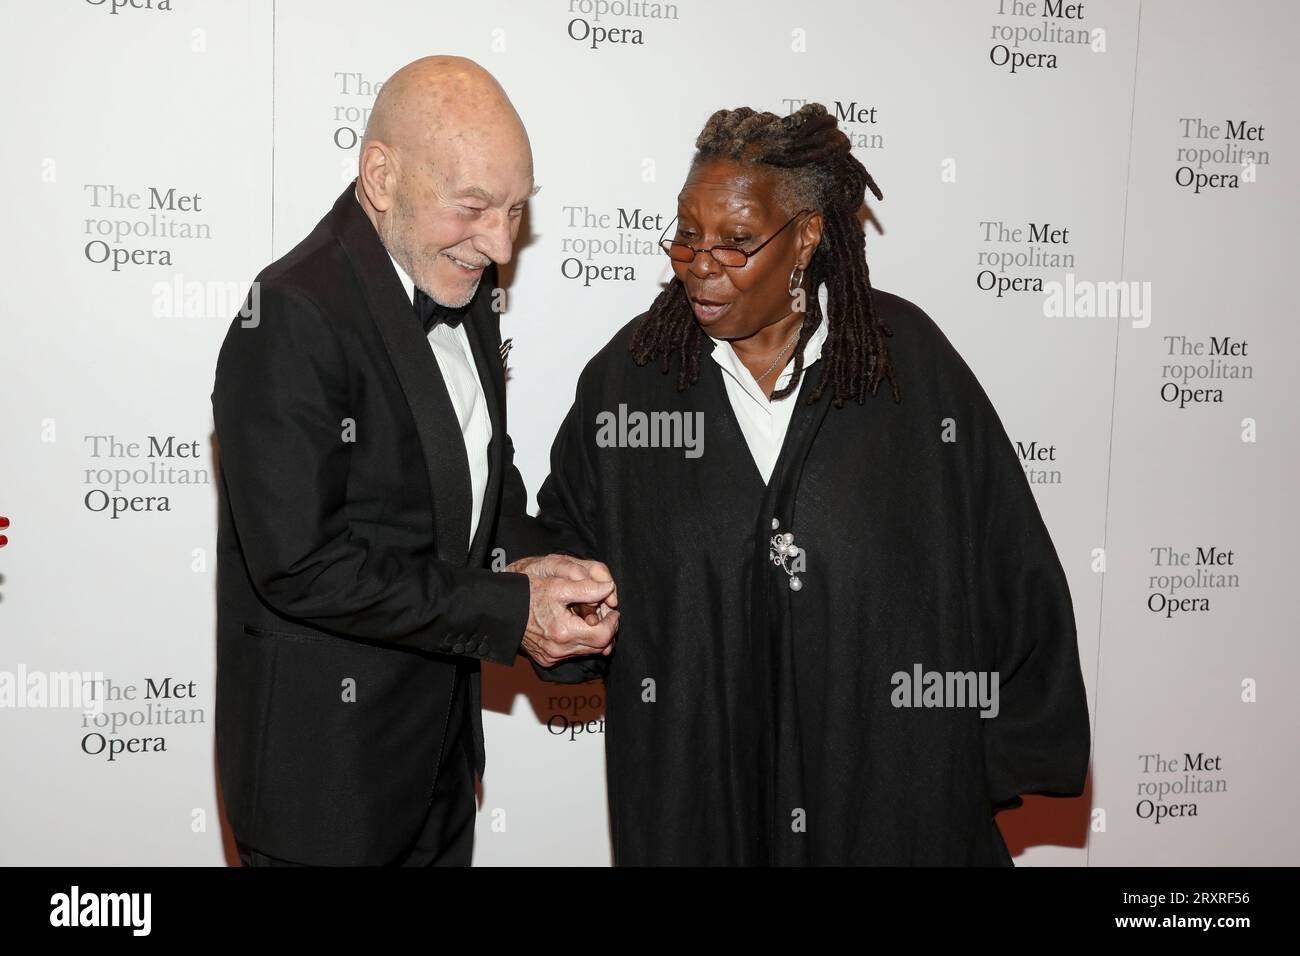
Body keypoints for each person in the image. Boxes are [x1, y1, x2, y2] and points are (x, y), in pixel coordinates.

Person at [531, 103, 1090, 865]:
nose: (700, 263)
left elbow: (1009, 561)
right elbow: (568, 551)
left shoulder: (906, 365)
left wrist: (981, 765)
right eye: (686, 233)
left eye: (736, 241)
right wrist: (566, 620)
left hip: (888, 798)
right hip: (701, 799)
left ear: (805, 237)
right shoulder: (631, 381)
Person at [211, 56, 619, 867]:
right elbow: (302, 565)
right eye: (472, 208)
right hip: (324, 788)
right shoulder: (290, 315)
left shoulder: (459, 282)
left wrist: (546, 570)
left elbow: (475, 480)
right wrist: (510, 610)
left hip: (440, 765)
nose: (499, 243)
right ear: (381, 176)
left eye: (516, 210)